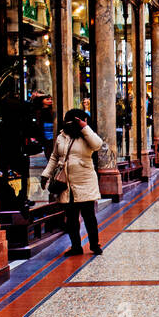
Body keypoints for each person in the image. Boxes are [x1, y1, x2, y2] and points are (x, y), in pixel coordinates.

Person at [41, 108, 104, 256]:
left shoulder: (86, 136)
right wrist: (46, 174)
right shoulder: (61, 137)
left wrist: (84, 127)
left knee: (89, 216)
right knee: (71, 218)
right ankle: (76, 246)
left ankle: (94, 245)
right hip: (66, 183)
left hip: (85, 182)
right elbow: (54, 157)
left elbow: (97, 145)